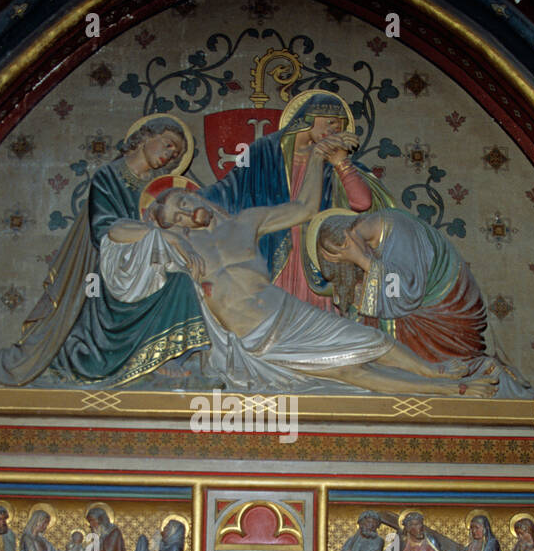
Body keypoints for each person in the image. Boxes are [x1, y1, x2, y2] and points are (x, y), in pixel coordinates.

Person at [105, 162, 500, 397]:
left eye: (183, 202)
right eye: (176, 216)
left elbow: (306, 207)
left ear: (195, 196)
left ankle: (434, 372)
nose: (185, 214)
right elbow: (115, 232)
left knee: (373, 342)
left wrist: (314, 156)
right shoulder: (179, 246)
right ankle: (449, 391)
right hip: (254, 338)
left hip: (288, 312)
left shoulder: (246, 221)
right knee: (349, 375)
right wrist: (160, 233)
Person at [0, 115, 207, 387]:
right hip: (109, 268)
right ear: (145, 137)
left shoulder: (156, 188)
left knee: (183, 280)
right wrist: (166, 237)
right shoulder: (108, 176)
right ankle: (149, 356)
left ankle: (166, 356)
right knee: (174, 284)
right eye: (168, 145)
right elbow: (104, 230)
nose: (169, 156)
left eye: (175, 154)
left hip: (145, 265)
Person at [198, 91, 390, 311]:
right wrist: (190, 199)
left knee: (316, 324)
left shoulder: (332, 162)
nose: (333, 131)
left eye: (338, 128)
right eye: (330, 123)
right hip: (273, 247)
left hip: (314, 256)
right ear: (309, 117)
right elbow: (230, 190)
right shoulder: (266, 151)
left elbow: (362, 203)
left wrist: (340, 161)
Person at [315, 208, 534, 397]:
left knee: (374, 335)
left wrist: (361, 260)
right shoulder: (374, 236)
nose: (352, 265)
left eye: (346, 260)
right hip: (420, 308)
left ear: (348, 240)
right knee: (364, 331)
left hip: (445, 315)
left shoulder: (398, 229)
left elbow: (402, 296)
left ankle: (482, 372)